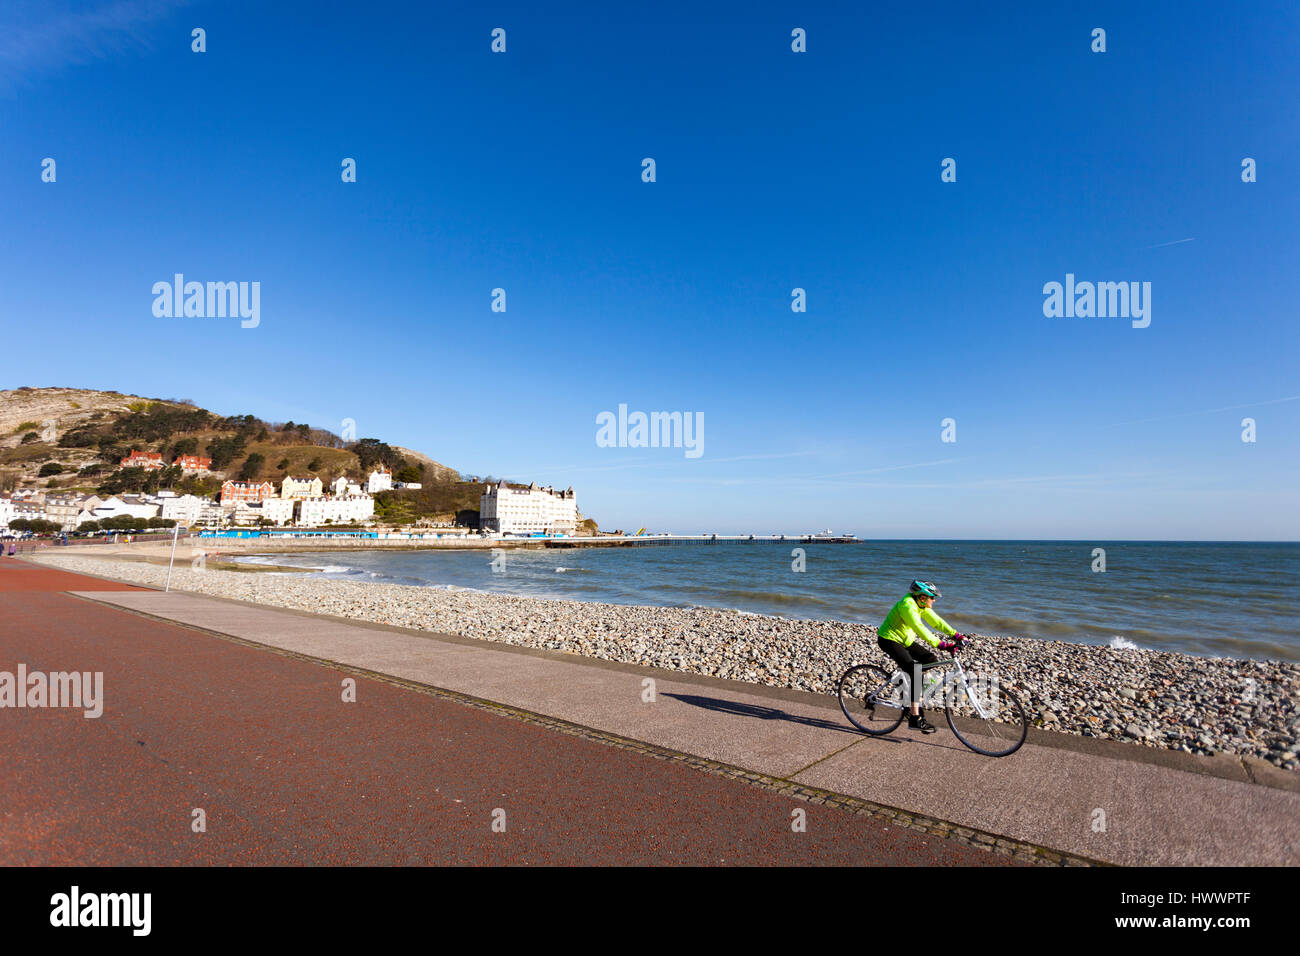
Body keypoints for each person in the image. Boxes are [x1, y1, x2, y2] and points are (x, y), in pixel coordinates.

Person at [877, 580, 968, 734]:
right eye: (932, 597)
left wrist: (956, 635)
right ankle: (914, 718)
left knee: (931, 660)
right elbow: (919, 628)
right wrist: (942, 645)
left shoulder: (921, 605)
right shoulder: (907, 605)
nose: (934, 600)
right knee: (915, 671)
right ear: (922, 597)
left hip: (905, 640)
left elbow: (936, 622)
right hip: (889, 639)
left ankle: (912, 693)